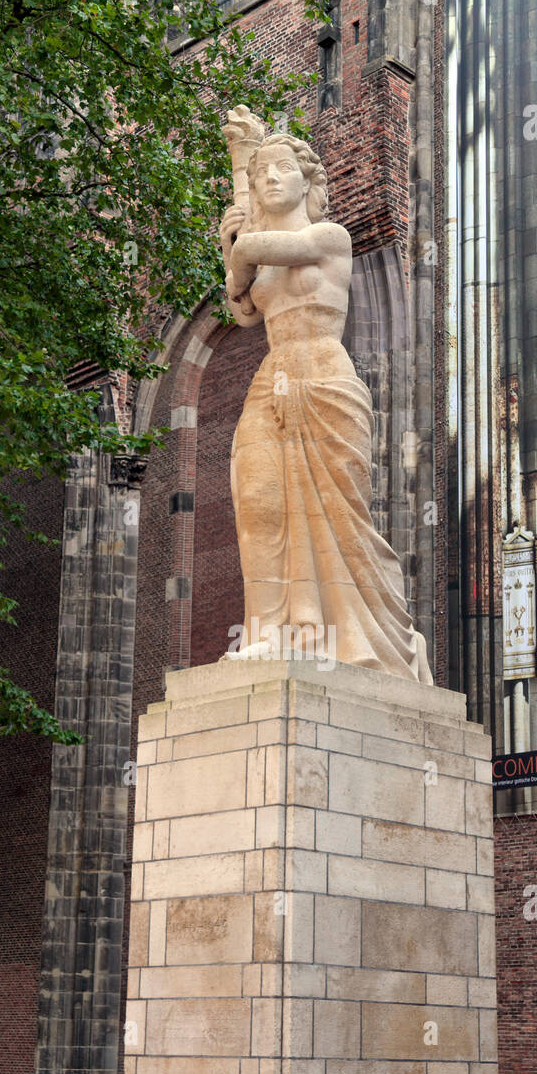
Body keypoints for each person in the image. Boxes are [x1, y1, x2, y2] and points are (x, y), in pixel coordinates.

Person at [219, 133, 432, 684]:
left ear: (308, 180)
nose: (270, 178)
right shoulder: (266, 251)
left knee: (343, 517)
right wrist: (235, 244)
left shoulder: (329, 237)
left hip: (322, 374)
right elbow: (241, 308)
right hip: (274, 373)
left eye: (283, 167)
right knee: (258, 500)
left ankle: (371, 639)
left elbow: (245, 256)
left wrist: (238, 235)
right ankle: (270, 633)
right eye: (262, 171)